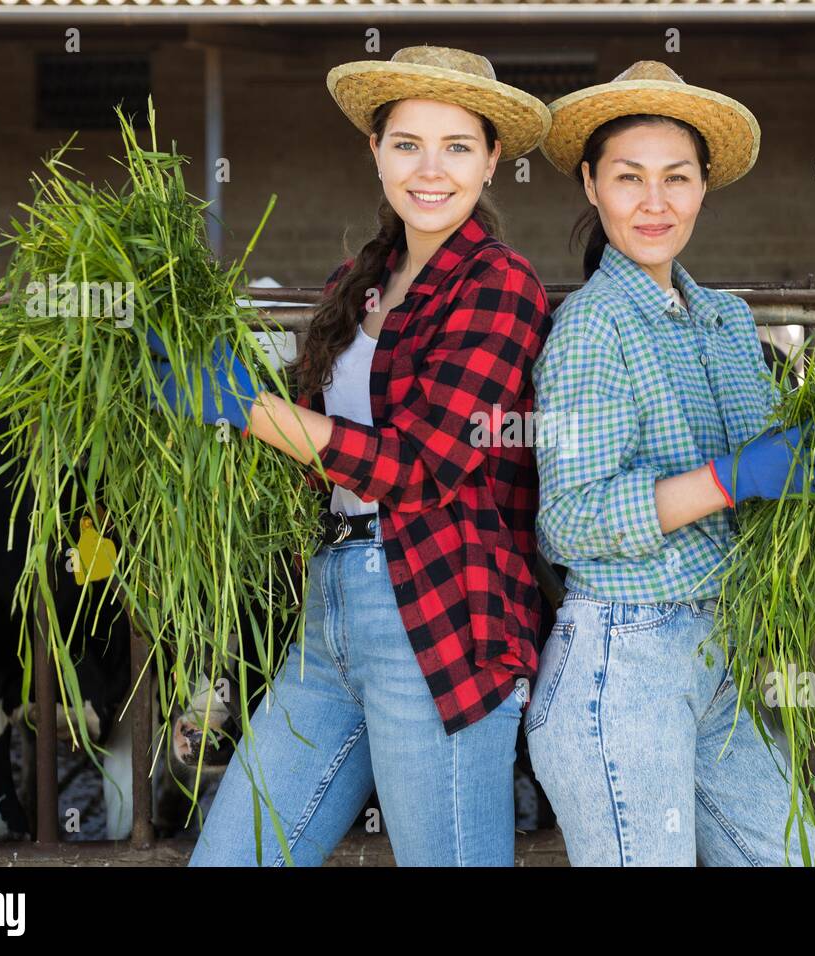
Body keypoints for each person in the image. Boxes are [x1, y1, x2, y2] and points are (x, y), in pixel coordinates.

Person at [150, 45, 553, 866]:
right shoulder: (358, 280)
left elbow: (425, 465)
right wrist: (214, 384)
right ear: (375, 151)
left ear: (492, 160)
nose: (429, 170)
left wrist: (254, 412)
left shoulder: (500, 284)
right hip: (330, 605)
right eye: (407, 144)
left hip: (441, 613)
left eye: (457, 147)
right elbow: (322, 452)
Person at [525, 60, 815, 866]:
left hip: (720, 652)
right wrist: (728, 479)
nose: (654, 202)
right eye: (629, 178)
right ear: (592, 186)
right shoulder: (592, 329)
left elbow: (774, 461)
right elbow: (568, 521)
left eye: (678, 177)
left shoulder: (727, 321)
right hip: (622, 666)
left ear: (704, 188)